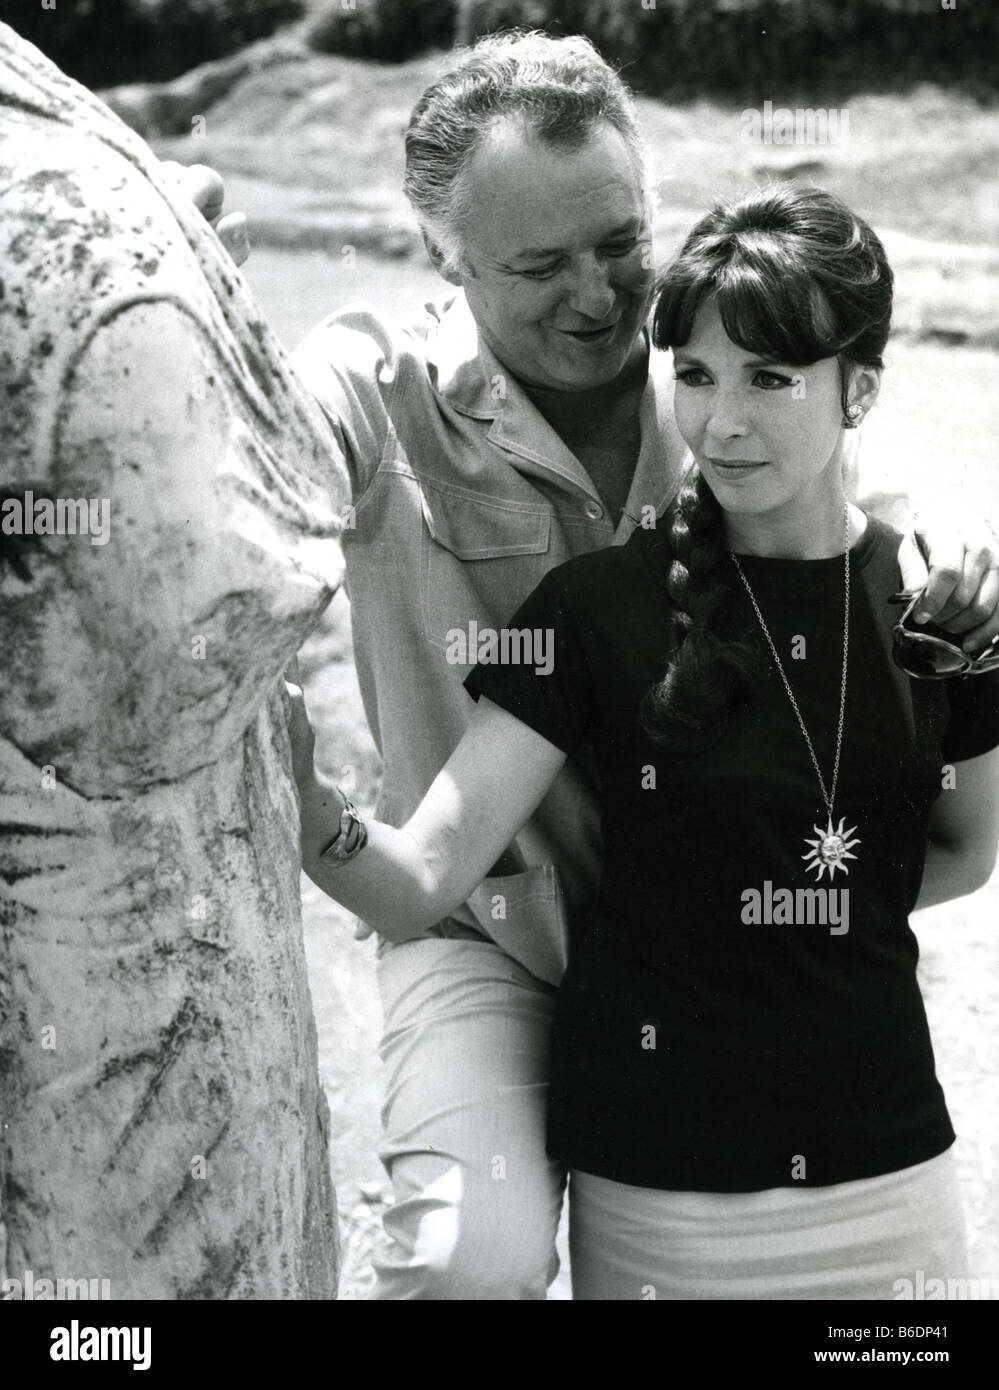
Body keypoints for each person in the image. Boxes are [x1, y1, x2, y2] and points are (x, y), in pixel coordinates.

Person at [178, 31, 999, 1299]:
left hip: (699, 913)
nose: (601, 297)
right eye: (539, 265)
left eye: (620, 244)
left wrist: (942, 559)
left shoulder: (707, 371)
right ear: (446, 262)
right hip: (484, 913)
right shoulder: (369, 385)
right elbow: (243, 461)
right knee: (467, 1256)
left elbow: (843, 495)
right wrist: (193, 326)